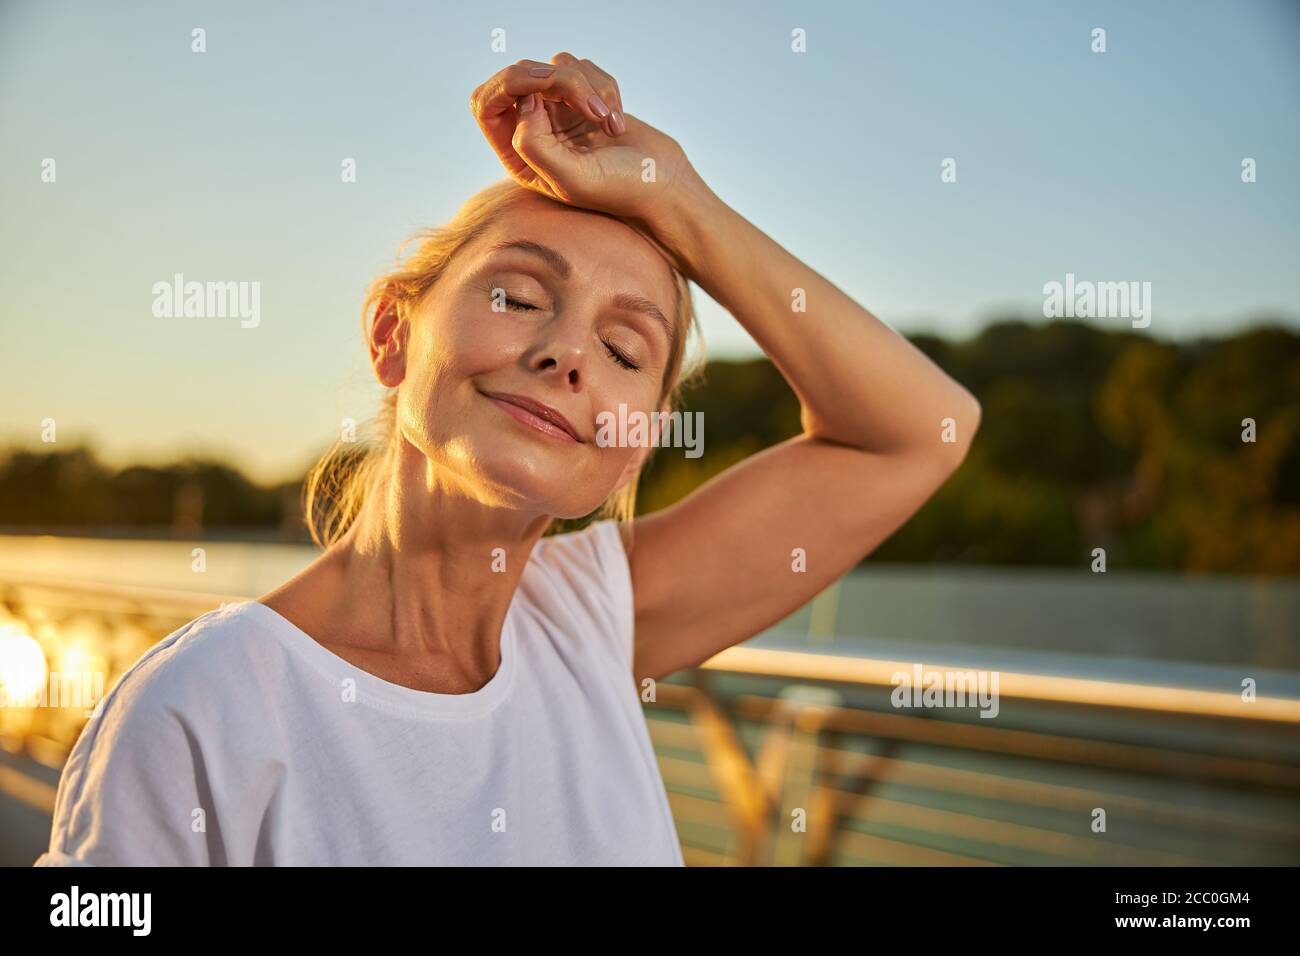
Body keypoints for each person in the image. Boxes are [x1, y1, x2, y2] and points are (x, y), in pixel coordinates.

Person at [35, 52, 980, 866]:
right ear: (392, 334)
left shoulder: (592, 624)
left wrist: (680, 201)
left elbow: (922, 431)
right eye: (521, 296)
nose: (569, 353)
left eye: (624, 352)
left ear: (630, 449)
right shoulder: (199, 711)